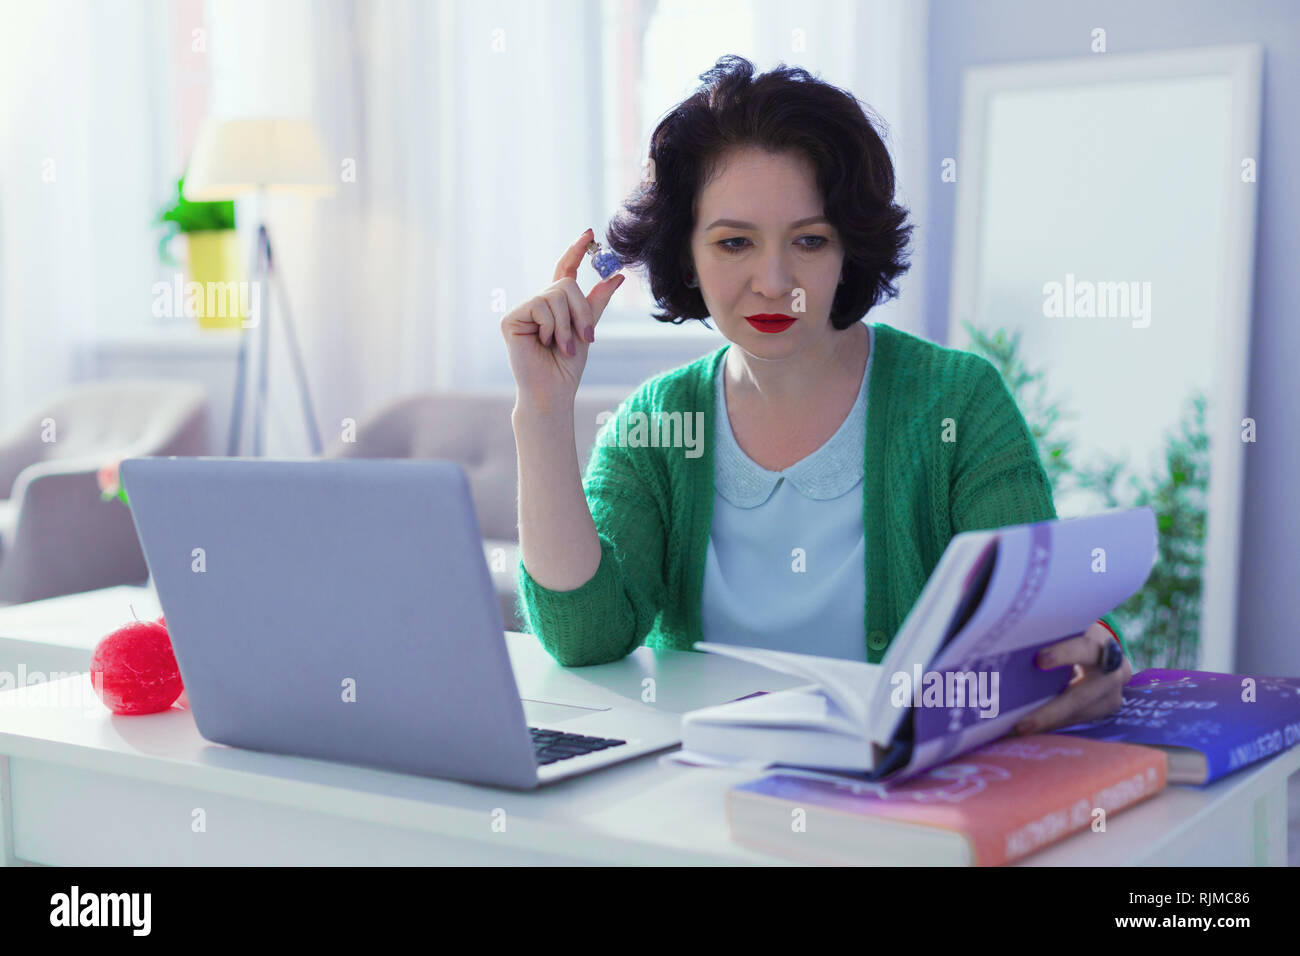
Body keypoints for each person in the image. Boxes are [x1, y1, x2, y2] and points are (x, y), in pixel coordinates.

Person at [500, 55, 1129, 735]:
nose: (774, 281)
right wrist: (542, 413)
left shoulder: (958, 402)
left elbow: (1046, 622)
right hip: (698, 805)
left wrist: (1094, 651)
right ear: (686, 256)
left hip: (893, 809)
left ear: (848, 250)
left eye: (808, 240)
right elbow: (584, 638)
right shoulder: (658, 422)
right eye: (734, 242)